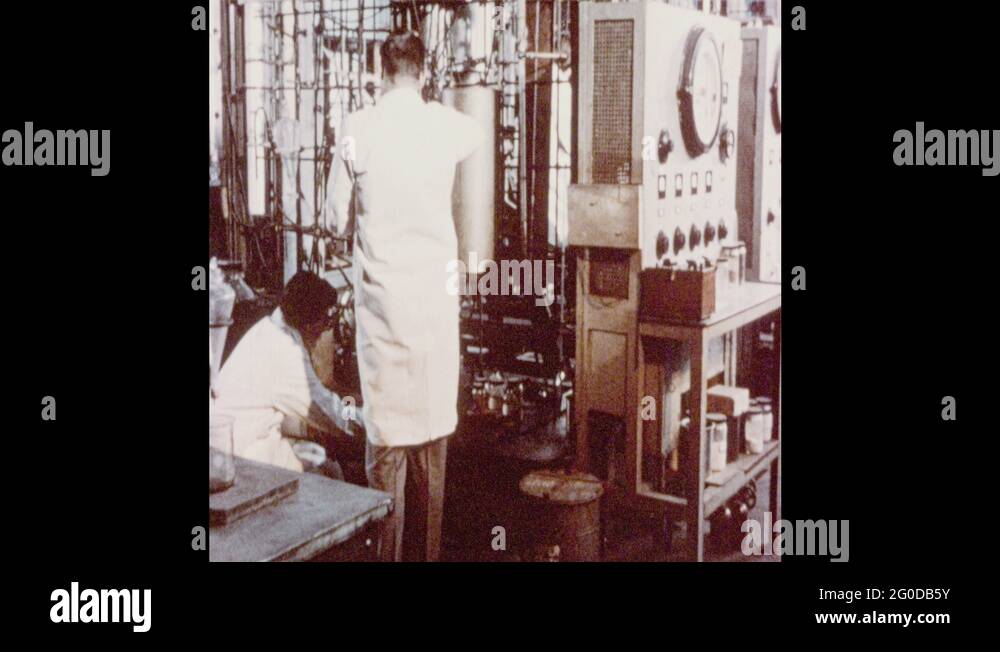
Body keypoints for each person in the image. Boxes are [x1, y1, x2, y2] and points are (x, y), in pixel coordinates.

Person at [326, 29, 485, 561]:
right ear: (423, 70)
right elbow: (475, 131)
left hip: (383, 330)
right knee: (431, 472)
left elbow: (331, 218)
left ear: (380, 68)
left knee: (385, 475)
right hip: (434, 331)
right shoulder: (444, 126)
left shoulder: (358, 128)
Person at [212, 271, 356, 473]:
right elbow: (330, 414)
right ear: (307, 319)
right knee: (328, 468)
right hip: (241, 454)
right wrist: (367, 420)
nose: (324, 330)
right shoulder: (284, 349)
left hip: (241, 440)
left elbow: (274, 402)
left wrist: (310, 427)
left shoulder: (268, 330)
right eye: (323, 320)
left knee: (320, 458)